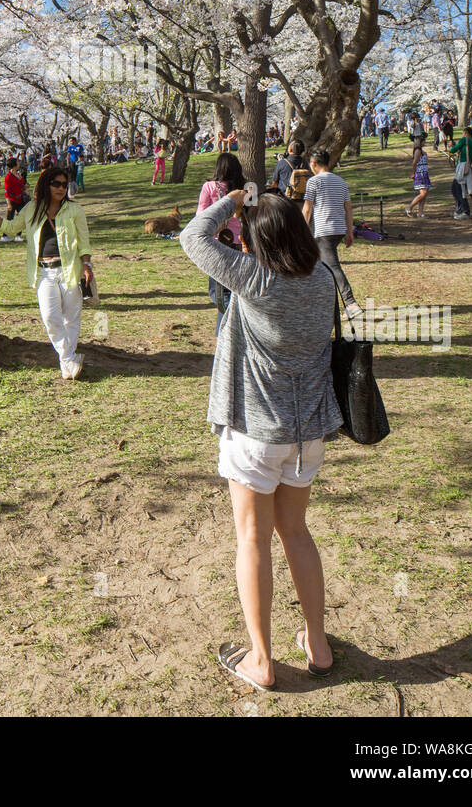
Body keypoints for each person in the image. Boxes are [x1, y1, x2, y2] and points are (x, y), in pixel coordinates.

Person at [179, 188, 341, 690]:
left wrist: (230, 200)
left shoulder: (254, 278)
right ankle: (317, 644)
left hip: (255, 433)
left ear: (257, 243)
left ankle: (261, 660)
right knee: (296, 532)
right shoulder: (324, 279)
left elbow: (192, 237)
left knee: (252, 539)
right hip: (307, 434)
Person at [0, 165, 93, 380]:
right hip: (44, 273)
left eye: (64, 184)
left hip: (70, 269)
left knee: (72, 318)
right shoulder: (32, 208)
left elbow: (84, 242)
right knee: (50, 317)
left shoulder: (75, 210)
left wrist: (87, 265)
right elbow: (11, 228)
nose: (61, 188)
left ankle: (67, 364)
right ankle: (68, 358)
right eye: (56, 184)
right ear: (47, 185)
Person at [302, 149, 358, 314]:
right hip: (339, 229)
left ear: (313, 164)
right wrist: (349, 231)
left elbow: (307, 209)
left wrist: (302, 230)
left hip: (324, 231)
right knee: (319, 266)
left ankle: (350, 303)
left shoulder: (313, 182)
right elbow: (348, 208)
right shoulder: (340, 181)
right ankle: (319, 303)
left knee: (332, 266)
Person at [198, 152, 245, 324]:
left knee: (218, 291)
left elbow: (201, 216)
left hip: (217, 243)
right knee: (234, 288)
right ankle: (229, 326)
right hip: (241, 243)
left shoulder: (209, 187)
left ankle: (229, 325)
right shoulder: (246, 188)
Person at [448, 125, 472, 220]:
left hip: (462, 167)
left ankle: (465, 211)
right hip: (467, 167)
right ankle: (460, 209)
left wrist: (451, 148)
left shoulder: (464, 140)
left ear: (465, 133)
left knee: (457, 189)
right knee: (459, 189)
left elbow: (453, 150)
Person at [405, 136, 432, 218]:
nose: (425, 142)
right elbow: (414, 163)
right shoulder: (417, 151)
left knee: (424, 194)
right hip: (420, 173)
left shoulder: (422, 151)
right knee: (423, 193)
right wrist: (413, 173)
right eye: (424, 141)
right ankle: (409, 207)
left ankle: (420, 212)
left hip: (424, 172)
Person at [2, 158, 28, 241]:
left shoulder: (18, 174)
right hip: (12, 200)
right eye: (17, 162)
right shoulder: (8, 177)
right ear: (14, 165)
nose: (19, 163)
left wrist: (25, 186)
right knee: (10, 218)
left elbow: (21, 185)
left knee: (22, 217)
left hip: (21, 199)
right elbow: (6, 191)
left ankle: (18, 236)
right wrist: (8, 203)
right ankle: (4, 236)